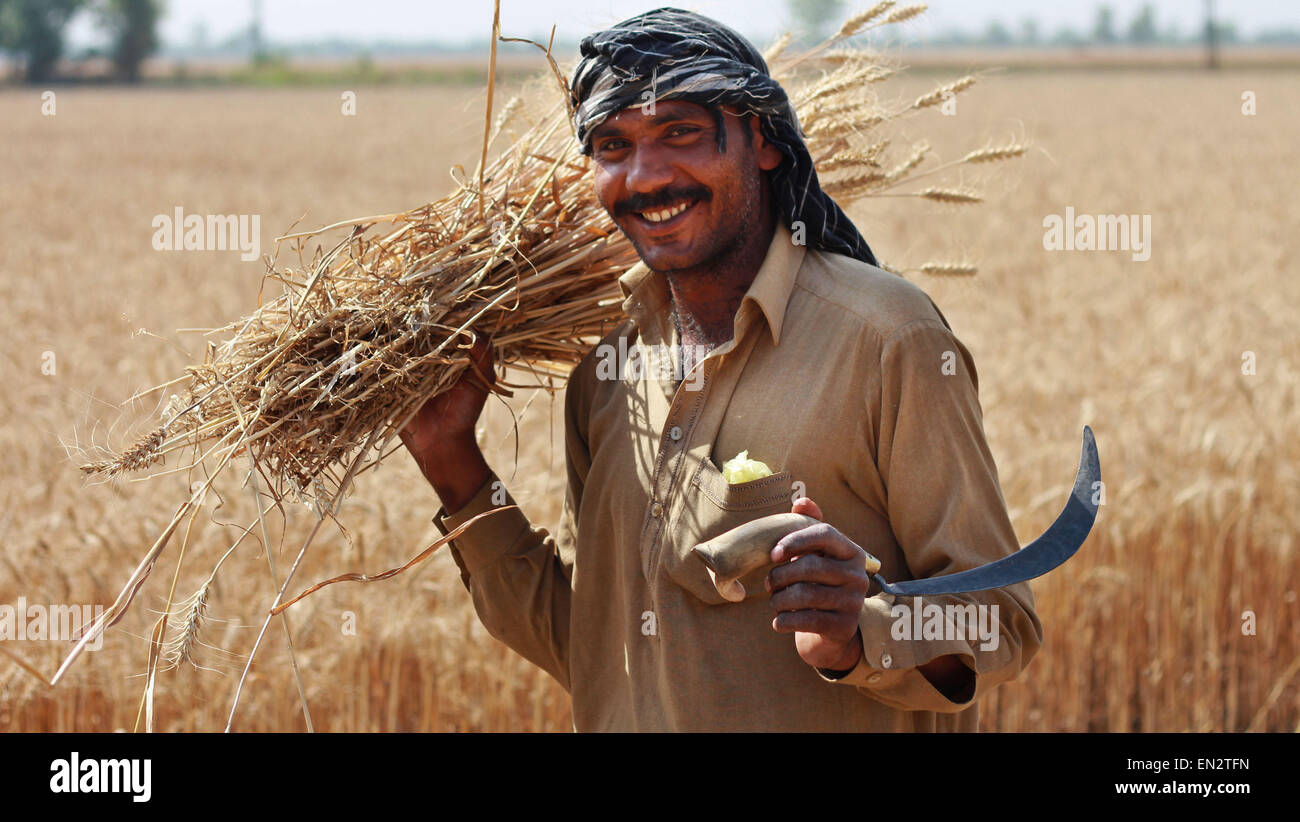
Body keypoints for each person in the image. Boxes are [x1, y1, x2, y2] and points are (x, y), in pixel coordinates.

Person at [400, 7, 1041, 731]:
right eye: (613, 146)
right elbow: (596, 647)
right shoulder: (608, 376)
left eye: (681, 132)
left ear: (764, 141)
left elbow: (1001, 628)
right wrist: (452, 462)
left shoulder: (888, 341)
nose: (646, 177)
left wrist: (862, 632)